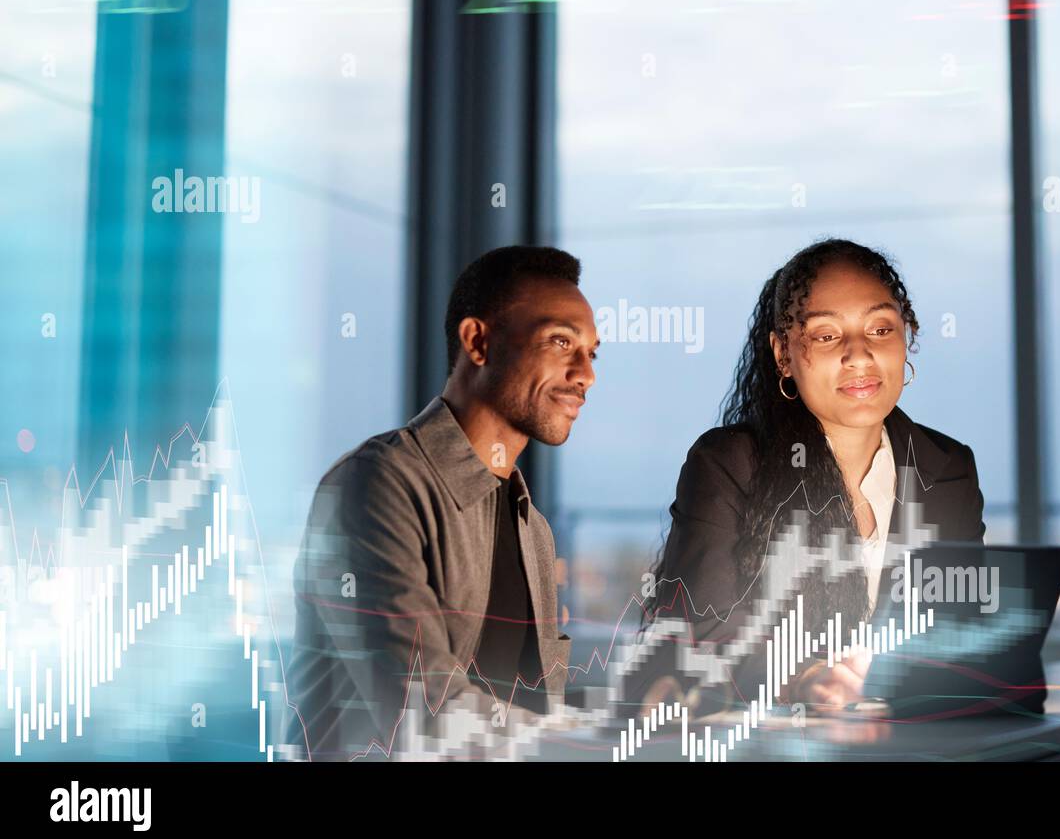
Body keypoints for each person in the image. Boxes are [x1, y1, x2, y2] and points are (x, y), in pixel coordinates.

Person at [636, 238, 986, 715]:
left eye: (880, 329)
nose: (859, 355)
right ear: (783, 355)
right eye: (826, 335)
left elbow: (960, 625)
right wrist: (803, 679)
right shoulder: (729, 463)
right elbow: (702, 628)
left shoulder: (947, 467)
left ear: (907, 337)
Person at [283, 245, 597, 760]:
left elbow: (531, 707)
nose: (586, 374)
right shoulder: (374, 486)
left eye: (592, 352)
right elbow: (425, 714)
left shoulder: (531, 527)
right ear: (478, 341)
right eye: (561, 342)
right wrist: (602, 744)